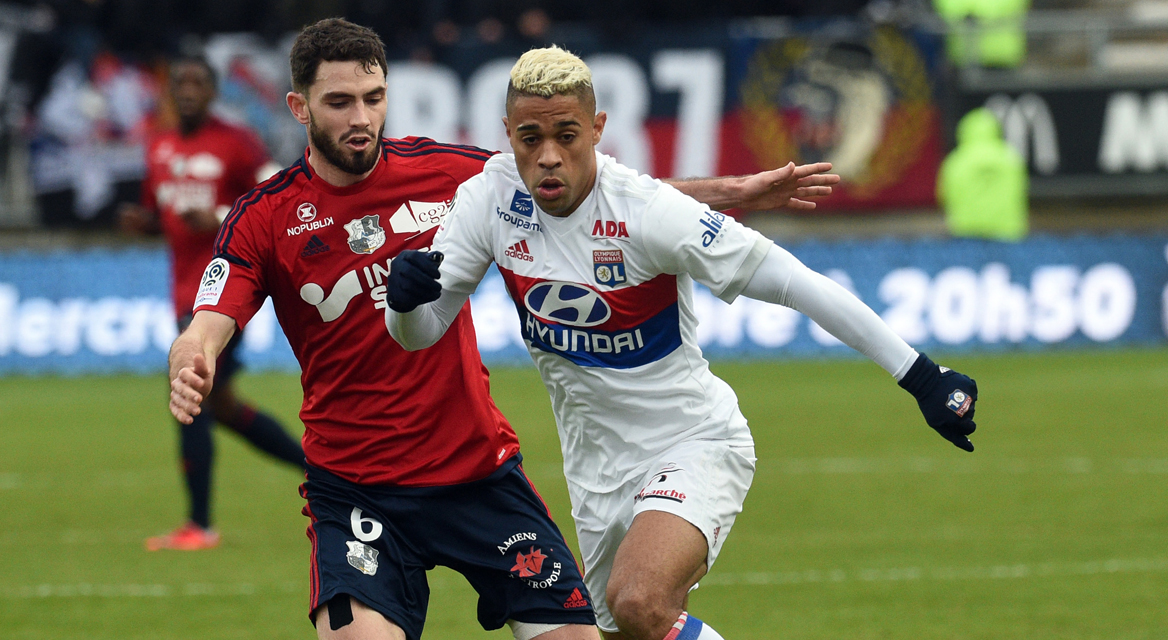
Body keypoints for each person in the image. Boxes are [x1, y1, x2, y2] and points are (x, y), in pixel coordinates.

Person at [168, 18, 838, 640]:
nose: (362, 117)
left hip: (477, 475)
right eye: (340, 102)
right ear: (299, 107)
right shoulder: (266, 216)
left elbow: (599, 191)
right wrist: (193, 356)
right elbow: (210, 319)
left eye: (374, 98)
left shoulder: (451, 174)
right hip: (357, 489)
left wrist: (738, 191)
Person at [384, 46, 980, 640]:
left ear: (597, 129)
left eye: (567, 135)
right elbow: (422, 332)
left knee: (640, 600)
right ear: (507, 134)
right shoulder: (491, 199)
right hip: (594, 479)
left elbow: (797, 283)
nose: (548, 157)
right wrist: (404, 303)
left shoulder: (649, 213)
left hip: (693, 443)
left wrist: (922, 377)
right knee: (620, 626)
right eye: (530, 138)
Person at [119, 56, 305, 551]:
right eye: (179, 82)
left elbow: (278, 199)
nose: (186, 90)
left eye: (197, 82)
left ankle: (199, 526)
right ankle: (322, 470)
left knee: (189, 391)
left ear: (213, 90)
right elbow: (166, 214)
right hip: (182, 289)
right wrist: (146, 222)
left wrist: (221, 214)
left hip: (227, 292)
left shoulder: (237, 142)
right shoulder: (158, 145)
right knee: (221, 406)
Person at [937, 107, 1028, 241]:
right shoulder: (1011, 157)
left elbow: (943, 195)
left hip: (966, 230)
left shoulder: (956, 160)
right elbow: (1022, 191)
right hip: (1007, 232)